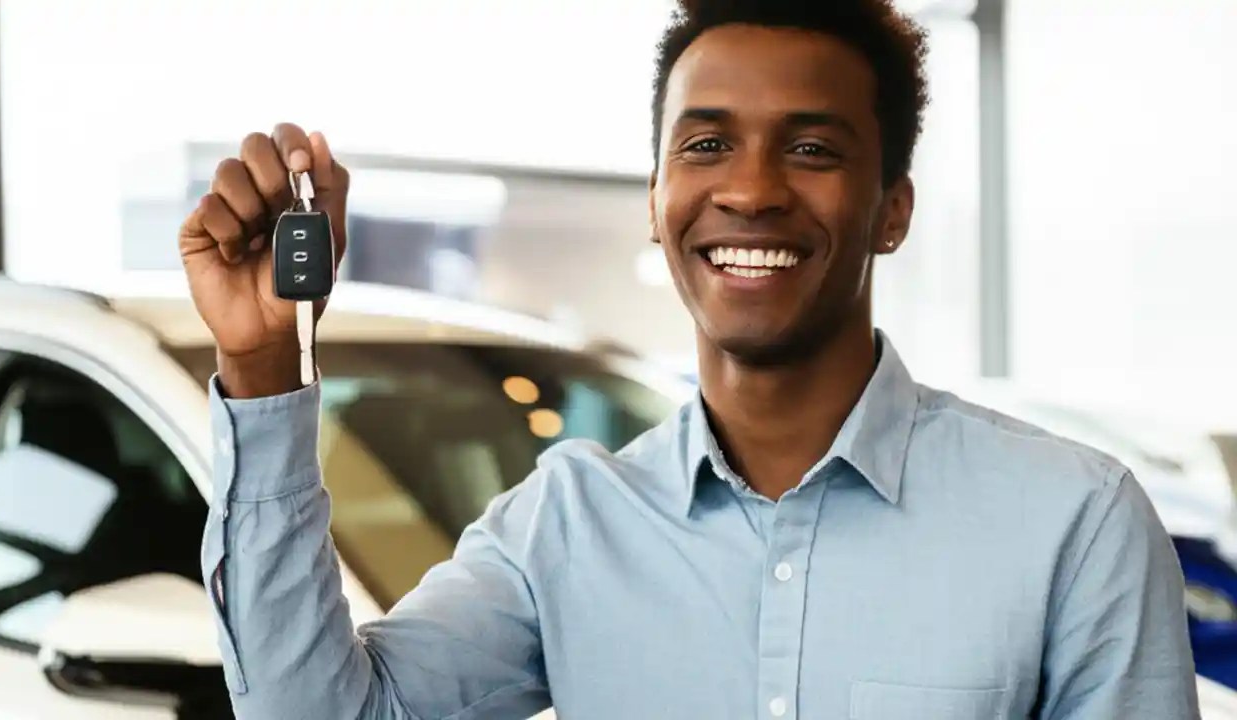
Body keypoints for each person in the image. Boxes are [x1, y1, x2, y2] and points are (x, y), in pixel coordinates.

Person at [178, 1, 1200, 718]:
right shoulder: (568, 525)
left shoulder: (1070, 521)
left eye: (810, 149)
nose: (749, 191)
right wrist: (265, 359)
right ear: (657, 200)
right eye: (705, 145)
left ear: (890, 209)